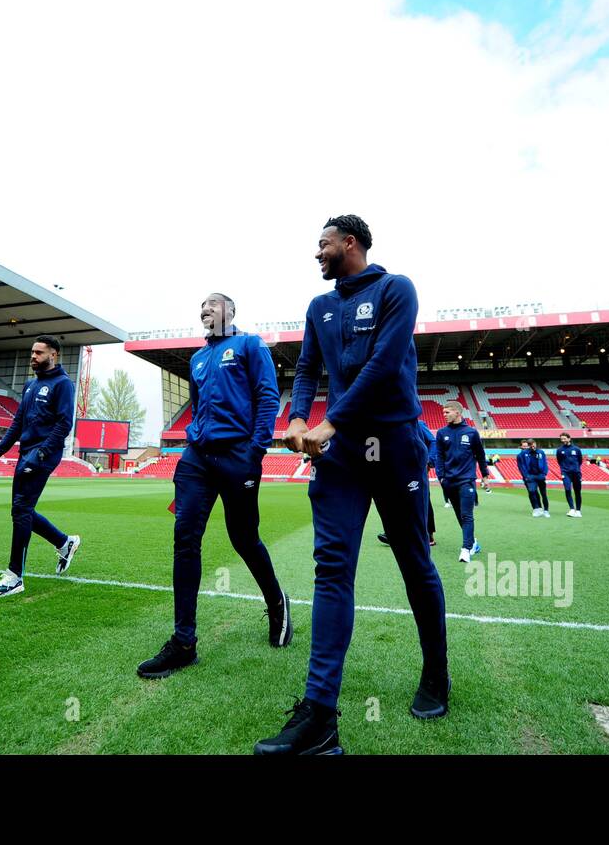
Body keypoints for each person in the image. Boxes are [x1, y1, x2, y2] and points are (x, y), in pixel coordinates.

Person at [255, 215, 450, 756]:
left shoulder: (396, 289)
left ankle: (436, 673)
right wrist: (297, 419)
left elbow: (386, 365)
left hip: (393, 447)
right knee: (332, 567)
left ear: (350, 242)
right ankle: (320, 717)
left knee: (414, 562)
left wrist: (330, 422)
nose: (316, 253)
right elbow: (306, 370)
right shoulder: (319, 307)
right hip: (341, 458)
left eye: (322, 243)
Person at [137, 292, 291, 679]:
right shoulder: (197, 358)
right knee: (185, 536)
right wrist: (193, 441)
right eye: (201, 306)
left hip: (239, 456)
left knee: (244, 539)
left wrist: (255, 451)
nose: (204, 309)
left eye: (212, 304)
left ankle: (277, 602)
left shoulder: (249, 344)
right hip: (197, 459)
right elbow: (197, 402)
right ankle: (184, 642)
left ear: (231, 311)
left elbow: (268, 397)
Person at [0, 335, 82, 597]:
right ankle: (64, 542)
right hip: (26, 453)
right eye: (32, 352)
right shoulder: (30, 385)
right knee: (21, 510)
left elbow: (64, 424)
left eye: (39, 353)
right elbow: (17, 423)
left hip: (41, 455)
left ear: (53, 355)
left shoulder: (63, 385)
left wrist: (42, 452)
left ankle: (15, 576)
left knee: (21, 509)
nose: (33, 357)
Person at [436, 401, 489, 561]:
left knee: (466, 515)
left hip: (466, 480)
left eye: (447, 412)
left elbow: (480, 455)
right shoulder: (441, 433)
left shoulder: (471, 432)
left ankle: (466, 549)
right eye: (443, 412)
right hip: (449, 481)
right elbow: (439, 456)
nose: (444, 415)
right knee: (460, 515)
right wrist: (441, 477)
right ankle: (473, 543)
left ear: (457, 413)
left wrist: (485, 476)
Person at [378, 418, 438, 547]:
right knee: (397, 501)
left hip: (416, 468)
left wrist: (429, 461)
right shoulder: (391, 425)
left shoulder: (418, 424)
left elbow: (433, 441)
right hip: (398, 469)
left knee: (422, 500)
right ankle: (394, 534)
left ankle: (428, 534)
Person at [517, 437, 550, 517]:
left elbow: (545, 463)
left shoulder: (541, 452)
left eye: (534, 444)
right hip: (530, 476)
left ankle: (546, 510)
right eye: (531, 445)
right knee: (532, 492)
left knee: (543, 494)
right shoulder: (522, 454)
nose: (533, 446)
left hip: (540, 476)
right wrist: (526, 476)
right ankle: (536, 509)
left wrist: (544, 473)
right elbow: (521, 467)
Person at [557, 432, 584, 518]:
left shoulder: (576, 449)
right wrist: (563, 470)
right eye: (562, 439)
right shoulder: (560, 450)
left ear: (569, 438)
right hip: (566, 473)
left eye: (564, 438)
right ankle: (572, 509)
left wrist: (576, 469)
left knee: (577, 492)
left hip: (576, 473)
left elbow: (580, 460)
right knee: (567, 489)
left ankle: (578, 511)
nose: (563, 440)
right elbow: (559, 461)